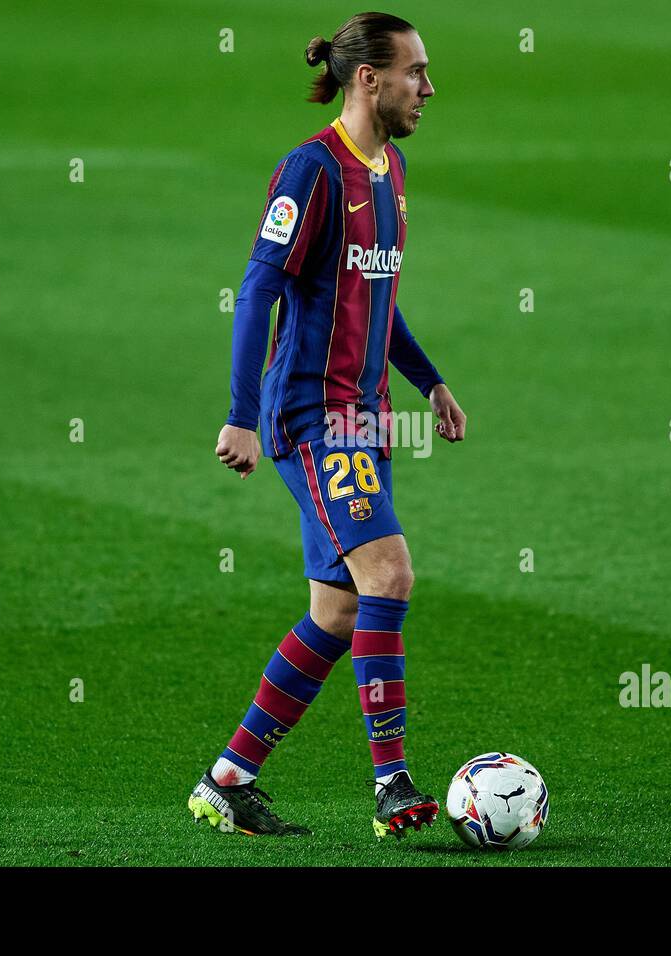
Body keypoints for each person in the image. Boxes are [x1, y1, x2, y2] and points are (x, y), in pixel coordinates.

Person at [188, 12, 467, 840]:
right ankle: (392, 785)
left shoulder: (392, 169)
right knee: (390, 576)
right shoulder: (311, 172)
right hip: (315, 416)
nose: (429, 87)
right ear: (367, 80)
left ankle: (227, 781)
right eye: (415, 72)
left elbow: (376, 294)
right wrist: (242, 416)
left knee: (338, 614)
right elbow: (257, 291)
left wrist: (430, 380)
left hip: (366, 419)